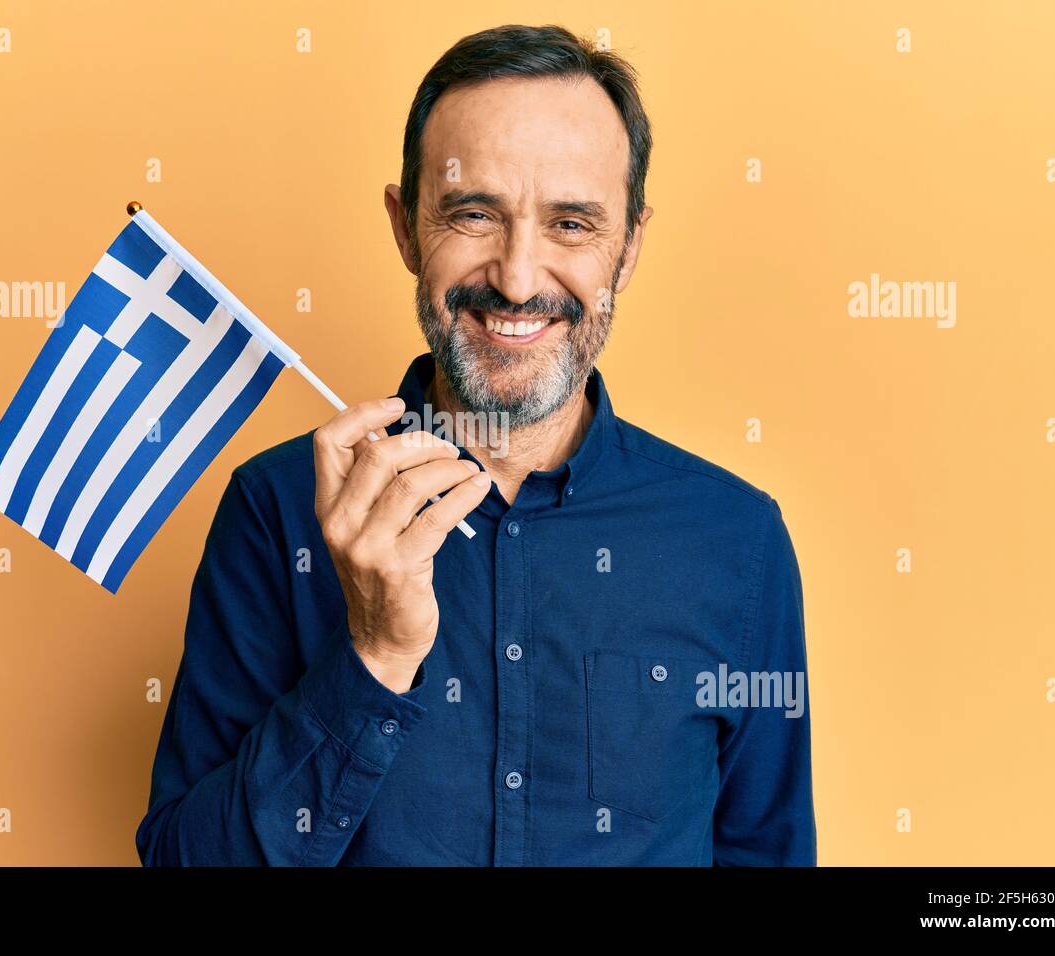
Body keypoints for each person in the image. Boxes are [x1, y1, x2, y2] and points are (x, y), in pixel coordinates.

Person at [136, 23, 816, 866]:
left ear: (629, 247)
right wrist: (376, 657)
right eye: (473, 213)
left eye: (571, 223)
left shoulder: (737, 541)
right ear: (405, 227)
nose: (519, 278)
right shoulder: (277, 513)